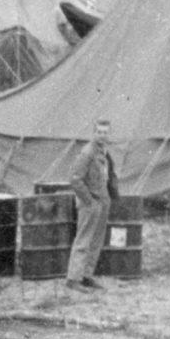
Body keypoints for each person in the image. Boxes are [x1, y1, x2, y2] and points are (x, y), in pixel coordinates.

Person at [69, 121, 117, 289]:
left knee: (96, 241)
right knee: (83, 240)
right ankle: (74, 279)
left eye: (105, 132)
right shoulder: (88, 152)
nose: (102, 135)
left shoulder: (103, 152)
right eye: (99, 132)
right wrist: (88, 201)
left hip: (102, 201)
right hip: (90, 202)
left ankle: (86, 275)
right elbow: (75, 178)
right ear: (94, 133)